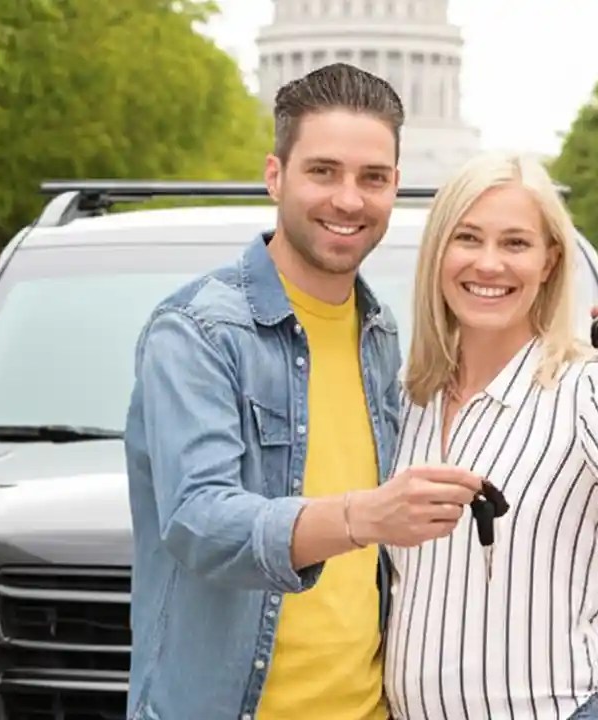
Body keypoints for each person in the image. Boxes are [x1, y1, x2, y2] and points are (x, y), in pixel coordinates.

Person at [123, 63, 483, 720]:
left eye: (372, 178)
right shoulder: (198, 332)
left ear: (395, 187)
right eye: (324, 171)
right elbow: (198, 520)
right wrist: (362, 517)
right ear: (275, 175)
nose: (349, 199)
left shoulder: (379, 332)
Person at [383, 152, 598, 720]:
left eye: (516, 244)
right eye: (468, 238)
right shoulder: (405, 400)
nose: (489, 263)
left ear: (549, 262)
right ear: (438, 254)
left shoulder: (584, 388)